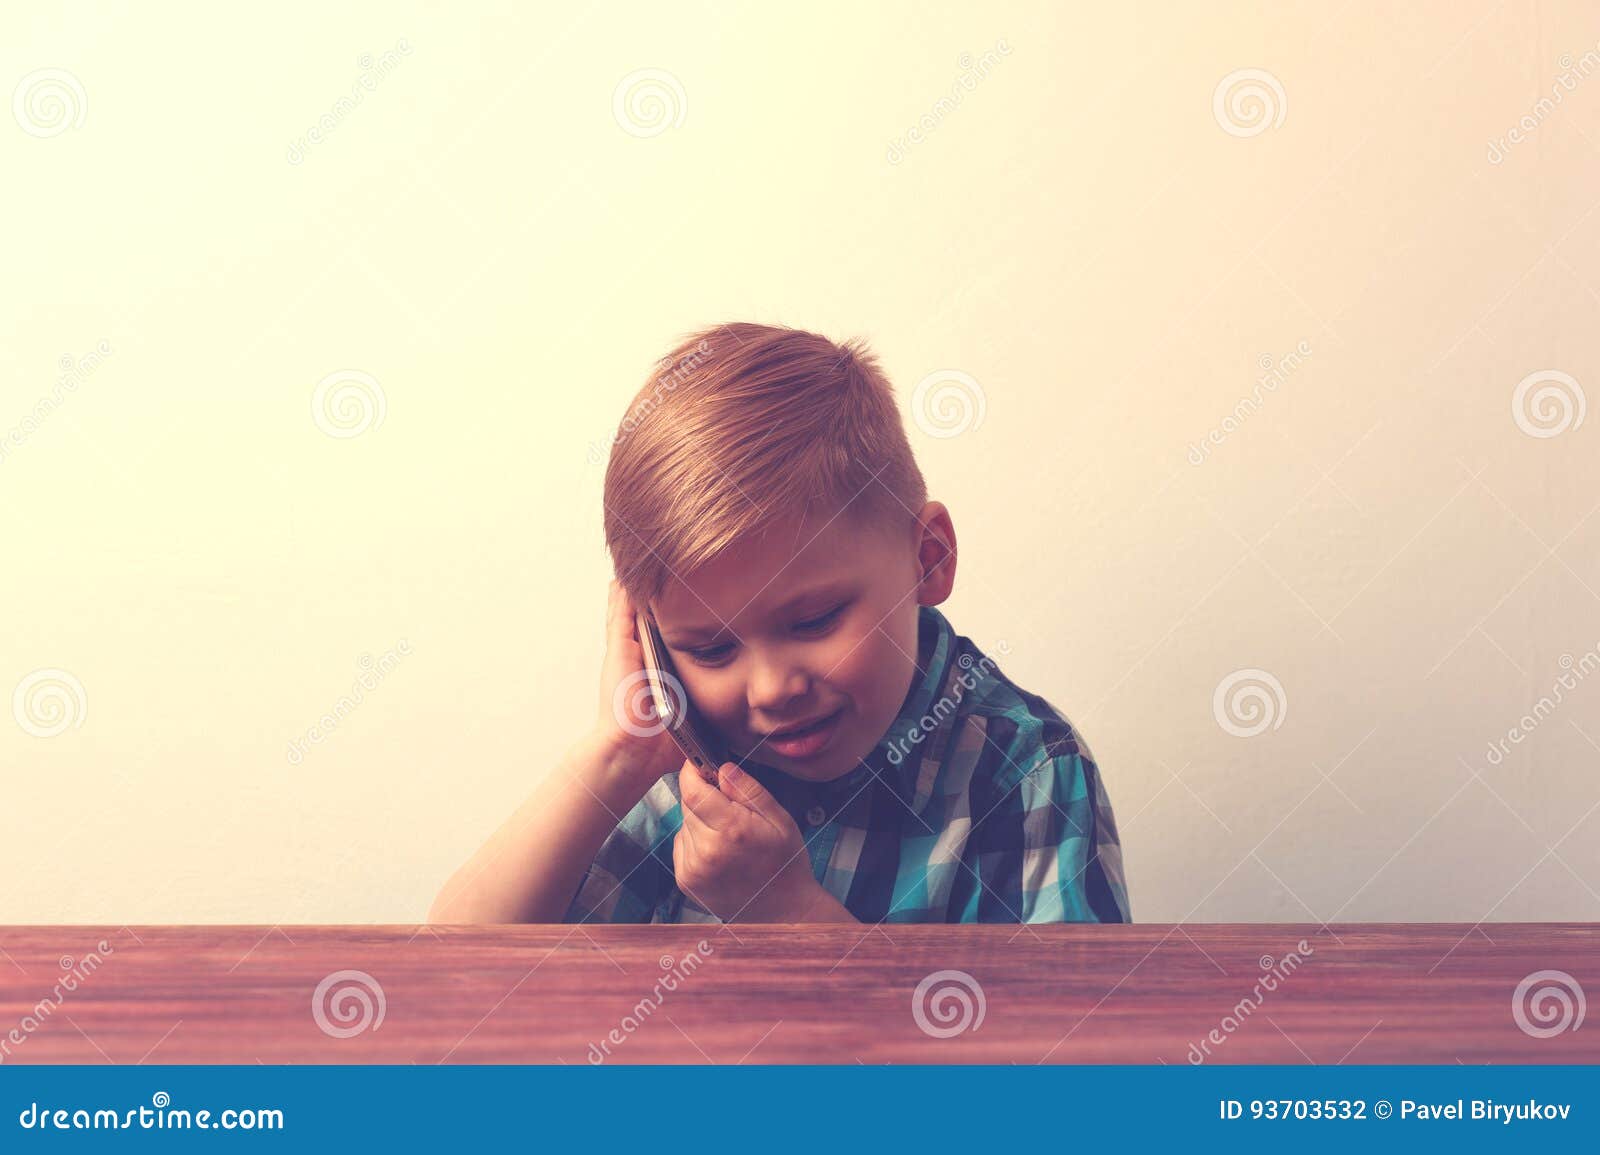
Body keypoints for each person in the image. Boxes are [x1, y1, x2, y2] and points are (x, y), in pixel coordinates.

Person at [429, 322, 1130, 924]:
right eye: (709, 648)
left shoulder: (1026, 772)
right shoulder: (679, 765)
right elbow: (456, 979)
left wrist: (791, 916)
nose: (768, 688)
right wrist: (617, 752)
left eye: (814, 619)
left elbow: (1062, 1074)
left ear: (929, 558)